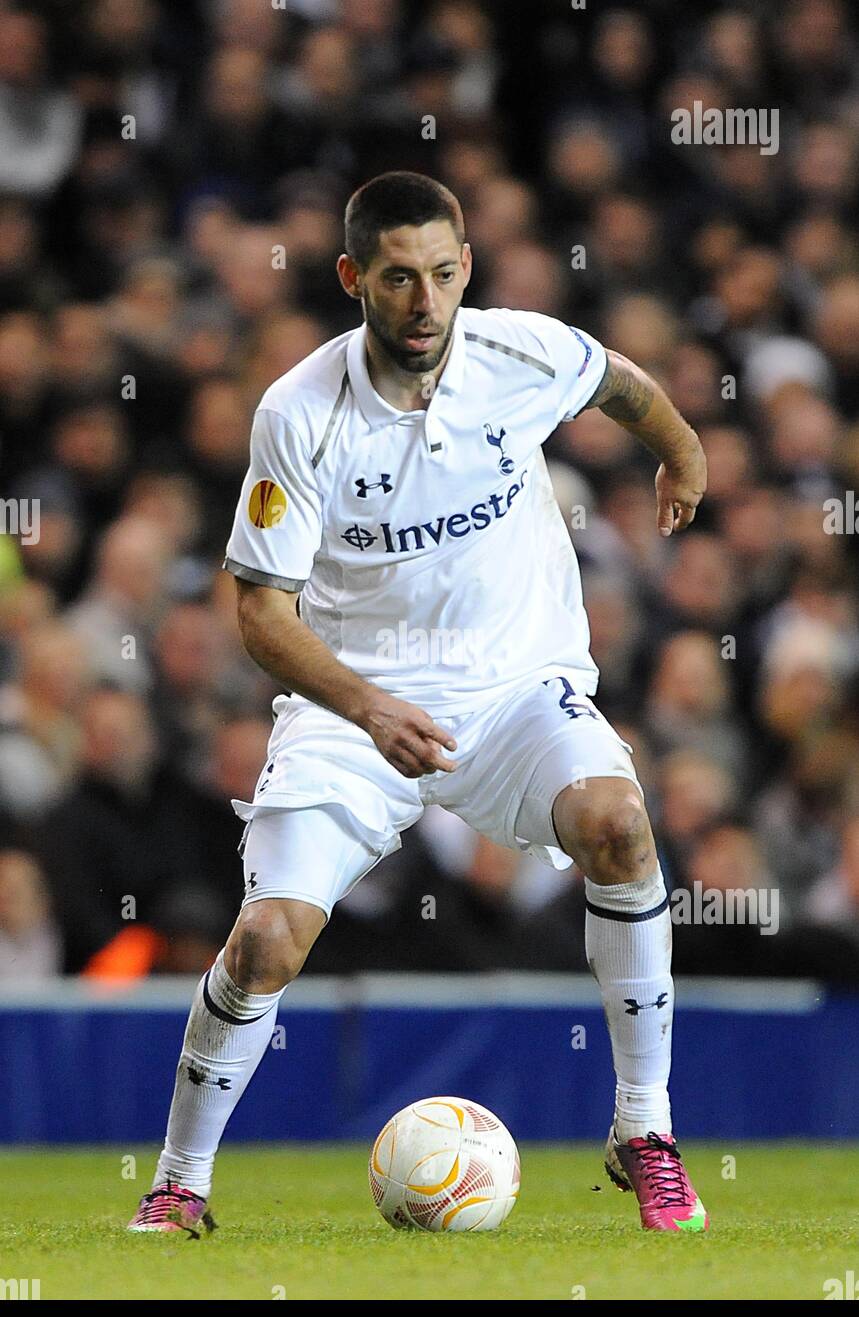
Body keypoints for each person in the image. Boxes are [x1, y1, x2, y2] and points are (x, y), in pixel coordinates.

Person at [128, 172, 708, 1237]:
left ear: (464, 272)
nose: (423, 300)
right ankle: (179, 1181)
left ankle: (645, 1129)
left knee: (620, 828)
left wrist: (681, 449)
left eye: (442, 274)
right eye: (398, 277)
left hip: (514, 690)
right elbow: (261, 611)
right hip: (353, 712)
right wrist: (367, 705)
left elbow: (615, 379)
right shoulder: (299, 415)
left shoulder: (514, 354)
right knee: (266, 942)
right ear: (354, 278)